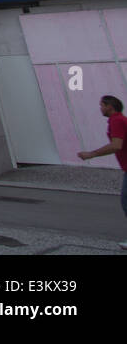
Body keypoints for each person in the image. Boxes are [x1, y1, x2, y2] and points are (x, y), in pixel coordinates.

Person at [77, 94, 127, 249]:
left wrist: (91, 154)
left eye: (102, 105)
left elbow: (116, 145)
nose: (100, 108)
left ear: (109, 107)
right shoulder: (118, 120)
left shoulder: (117, 121)